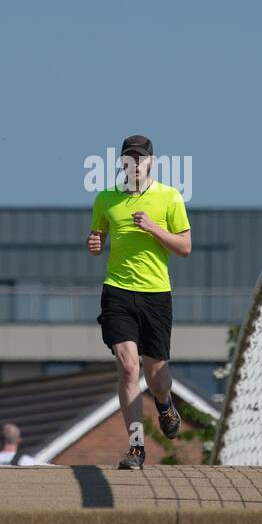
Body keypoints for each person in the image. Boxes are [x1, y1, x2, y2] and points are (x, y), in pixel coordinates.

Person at [87, 135, 191, 470]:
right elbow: (98, 238)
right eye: (128, 159)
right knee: (129, 367)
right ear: (122, 164)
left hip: (156, 294)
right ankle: (136, 447)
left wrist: (153, 229)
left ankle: (164, 404)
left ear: (151, 163)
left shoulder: (169, 197)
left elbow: (185, 247)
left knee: (156, 375)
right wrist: (93, 243)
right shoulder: (106, 199)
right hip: (117, 291)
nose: (134, 165)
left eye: (140, 159)